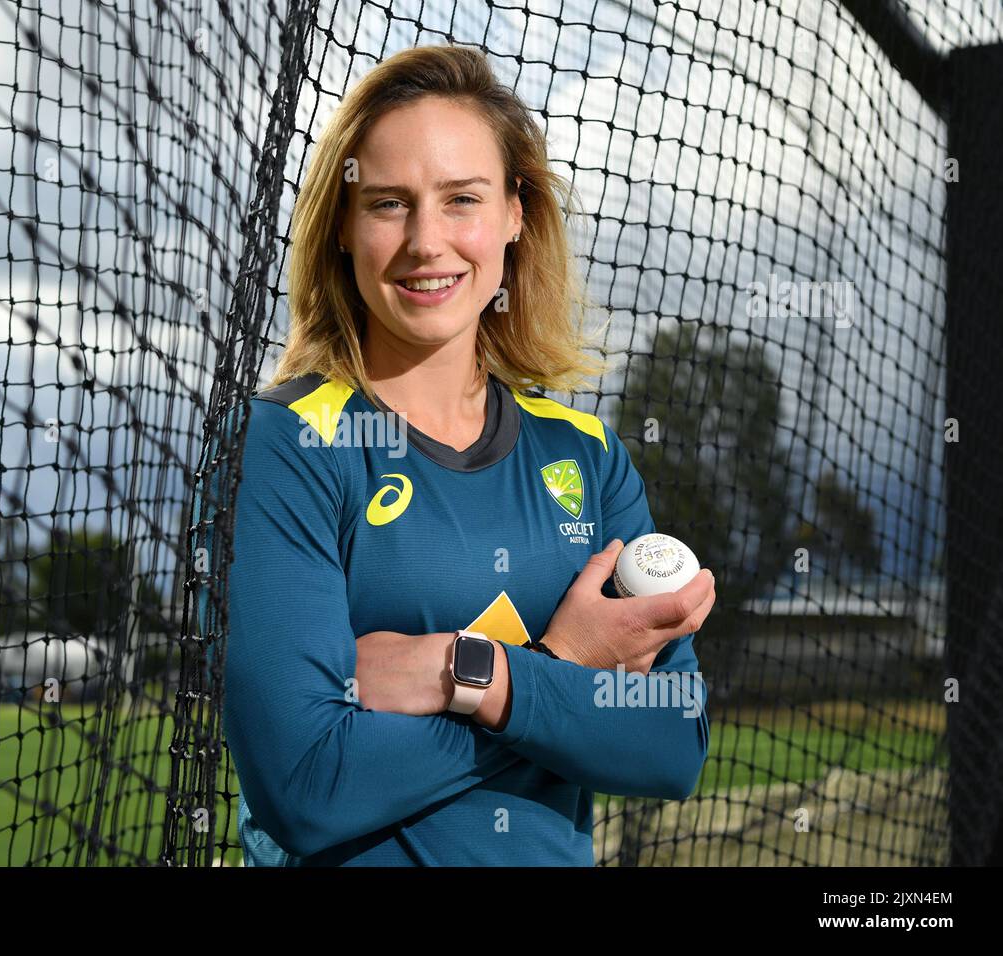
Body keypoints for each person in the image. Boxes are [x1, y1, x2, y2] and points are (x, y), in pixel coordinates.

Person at [219, 44, 715, 866]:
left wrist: (470, 674)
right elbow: (305, 787)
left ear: (516, 214)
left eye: (462, 200)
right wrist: (567, 668)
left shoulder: (584, 455)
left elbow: (672, 743)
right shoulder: (291, 442)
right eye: (387, 203)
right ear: (342, 226)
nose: (425, 241)